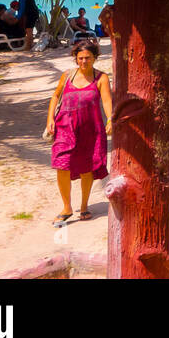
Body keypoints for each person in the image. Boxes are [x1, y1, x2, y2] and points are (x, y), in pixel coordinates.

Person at [44, 39, 112, 226]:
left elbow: (106, 101)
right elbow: (56, 95)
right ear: (75, 58)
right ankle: (66, 207)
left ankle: (83, 205)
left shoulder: (101, 78)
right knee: (61, 164)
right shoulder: (67, 76)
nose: (84, 61)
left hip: (90, 129)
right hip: (65, 127)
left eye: (88, 58)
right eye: (80, 58)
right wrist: (50, 119)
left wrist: (111, 118)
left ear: (95, 58)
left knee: (86, 168)